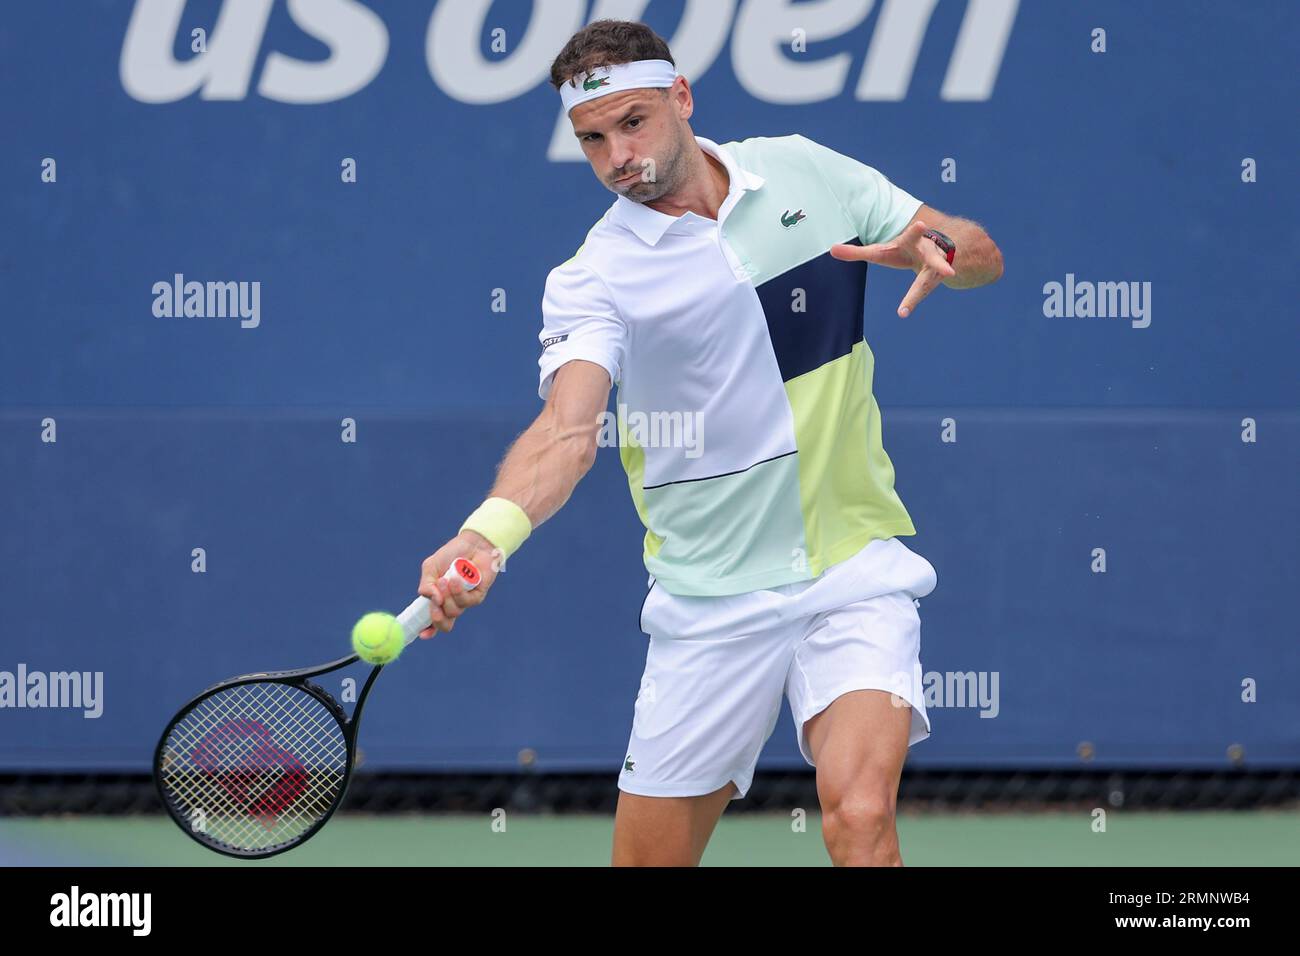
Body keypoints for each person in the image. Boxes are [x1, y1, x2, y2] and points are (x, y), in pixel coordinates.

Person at [415, 19, 1003, 866]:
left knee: (860, 816)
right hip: (708, 604)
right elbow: (569, 431)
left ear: (681, 98)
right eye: (592, 139)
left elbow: (973, 249)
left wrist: (946, 249)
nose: (617, 155)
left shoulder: (806, 170)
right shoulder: (594, 278)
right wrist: (486, 537)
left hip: (852, 568)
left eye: (633, 122)